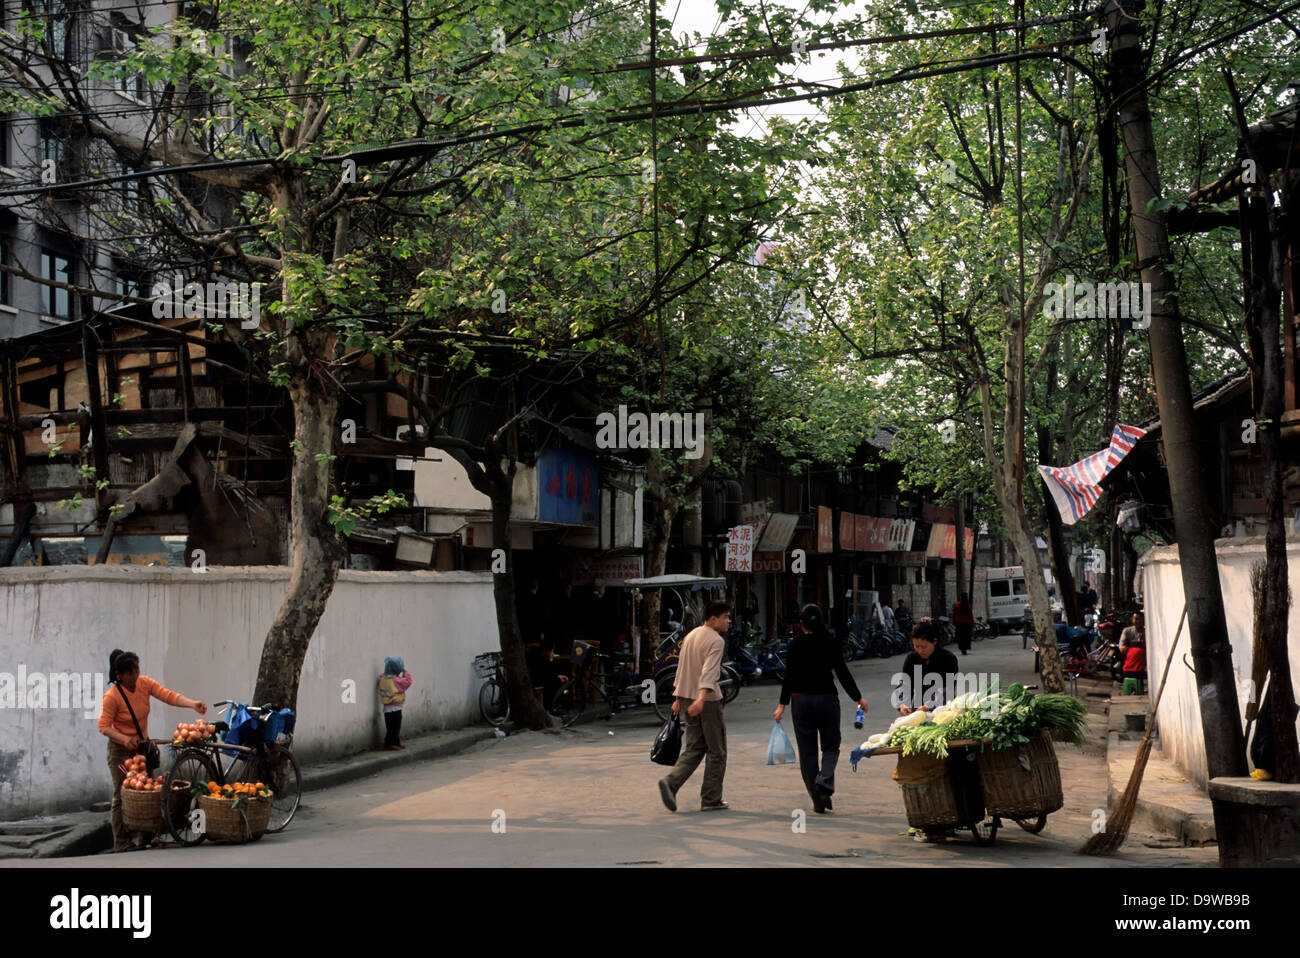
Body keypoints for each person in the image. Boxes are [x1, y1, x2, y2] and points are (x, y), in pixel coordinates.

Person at [98, 649, 206, 852]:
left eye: (137, 669)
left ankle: (146, 837)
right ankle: (122, 842)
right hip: (121, 753)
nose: (136, 675)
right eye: (131, 672)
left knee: (148, 791)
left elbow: (168, 696)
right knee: (123, 793)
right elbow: (104, 726)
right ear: (120, 675)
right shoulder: (112, 696)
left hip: (142, 748)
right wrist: (124, 738)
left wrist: (193, 704)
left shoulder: (144, 684)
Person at [773, 604, 869, 814]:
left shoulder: (795, 645)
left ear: (801, 624)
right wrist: (858, 697)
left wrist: (782, 704)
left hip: (800, 701)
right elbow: (842, 672)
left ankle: (818, 798)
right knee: (831, 746)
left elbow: (789, 676)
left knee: (807, 752)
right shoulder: (829, 641)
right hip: (826, 699)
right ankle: (824, 782)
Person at [658, 600, 731, 812]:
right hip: (705, 701)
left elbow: (681, 669)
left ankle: (671, 782)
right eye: (725, 617)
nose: (728, 621)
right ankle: (711, 798)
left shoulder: (691, 635)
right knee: (717, 751)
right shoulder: (716, 640)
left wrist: (679, 698)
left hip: (687, 697)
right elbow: (709, 672)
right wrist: (700, 699)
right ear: (713, 619)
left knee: (695, 747)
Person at [896, 620, 961, 714]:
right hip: (918, 710)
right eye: (916, 646)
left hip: (944, 709)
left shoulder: (948, 659)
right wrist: (903, 704)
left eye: (924, 647)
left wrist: (928, 705)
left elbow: (947, 688)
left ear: (934, 641)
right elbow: (905, 684)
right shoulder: (912, 659)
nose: (920, 651)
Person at [378, 657, 413, 750]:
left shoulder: (383, 679)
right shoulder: (396, 680)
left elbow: (382, 676)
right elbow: (408, 682)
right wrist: (405, 672)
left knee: (390, 727)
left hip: (387, 708)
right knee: (395, 727)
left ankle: (395, 743)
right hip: (396, 707)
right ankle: (389, 744)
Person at [1119, 612, 1147, 695]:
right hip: (1129, 660)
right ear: (1132, 620)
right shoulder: (1127, 631)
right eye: (1136, 619)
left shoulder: (1146, 631)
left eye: (1140, 619)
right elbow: (1122, 648)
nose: (1138, 621)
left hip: (1141, 662)